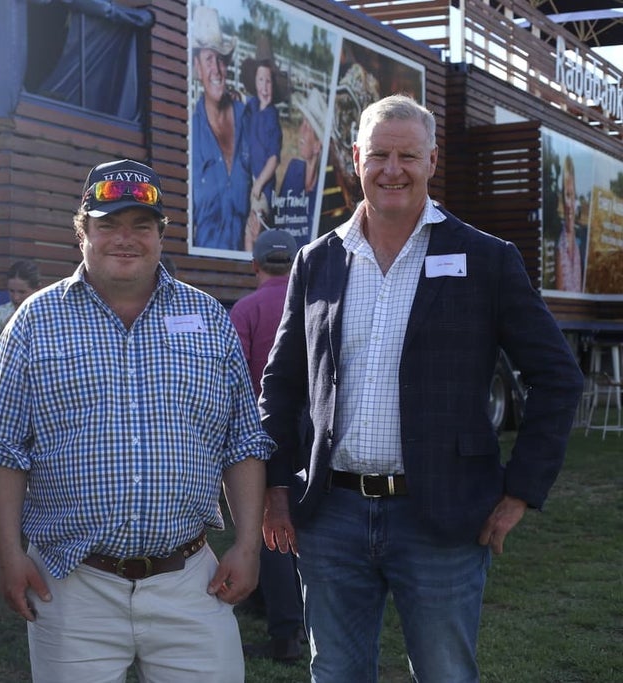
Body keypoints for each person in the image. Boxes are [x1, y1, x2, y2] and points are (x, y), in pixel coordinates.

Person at [260, 95, 584, 682]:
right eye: (379, 154)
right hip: (331, 515)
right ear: (355, 158)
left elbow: (558, 378)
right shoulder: (319, 261)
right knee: (334, 673)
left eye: (408, 155)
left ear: (432, 160)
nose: (392, 169)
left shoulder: (486, 259)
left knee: (445, 674)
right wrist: (277, 487)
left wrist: (520, 493)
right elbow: (281, 387)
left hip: (444, 517)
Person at [0, 158, 275, 682]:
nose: (125, 238)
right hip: (72, 584)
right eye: (108, 224)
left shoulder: (209, 320)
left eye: (141, 225)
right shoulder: (33, 325)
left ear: (161, 236)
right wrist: (6, 554)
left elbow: (242, 441)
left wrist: (248, 545)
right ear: (82, 233)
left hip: (190, 582)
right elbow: (3, 450)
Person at [228, 228, 304, 664]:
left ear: (254, 265)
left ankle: (285, 635)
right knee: (309, 523)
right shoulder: (315, 302)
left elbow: (235, 381)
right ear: (296, 264)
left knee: (270, 530)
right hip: (317, 434)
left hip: (264, 435)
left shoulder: (246, 309)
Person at [191, 5, 251, 252]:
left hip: (247, 264)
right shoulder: (191, 130)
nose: (216, 68)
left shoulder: (245, 116)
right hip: (202, 265)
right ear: (198, 67)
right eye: (208, 59)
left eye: (221, 59)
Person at [239, 35, 286, 249]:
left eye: (268, 81)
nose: (264, 86)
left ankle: (251, 272)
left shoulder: (271, 115)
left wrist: (258, 185)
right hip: (247, 179)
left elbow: (274, 158)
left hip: (261, 185)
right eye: (260, 80)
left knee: (253, 230)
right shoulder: (251, 106)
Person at [275, 88, 326, 247]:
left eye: (308, 126)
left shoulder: (323, 190)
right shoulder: (293, 169)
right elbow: (278, 220)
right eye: (302, 122)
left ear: (317, 146)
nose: (300, 131)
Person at [0, 259, 41, 356]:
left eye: (22, 292)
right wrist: (3, 332)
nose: (16, 297)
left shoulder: (47, 315)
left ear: (37, 289)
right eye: (11, 291)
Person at [555, 154, 583, 292]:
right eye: (567, 195)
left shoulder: (578, 248)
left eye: (573, 195)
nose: (570, 204)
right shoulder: (559, 249)